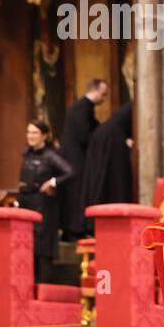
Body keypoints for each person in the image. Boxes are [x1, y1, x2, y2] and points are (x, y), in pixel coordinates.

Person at [17, 121, 74, 283]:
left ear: (44, 135)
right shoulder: (27, 153)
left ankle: (43, 287)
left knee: (43, 248)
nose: (31, 136)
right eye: (29, 132)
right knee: (28, 247)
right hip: (26, 203)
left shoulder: (50, 155)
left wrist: (53, 182)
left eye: (35, 133)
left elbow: (70, 172)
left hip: (43, 205)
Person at [60, 78, 107, 240]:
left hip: (75, 156)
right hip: (74, 157)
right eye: (103, 94)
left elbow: (96, 128)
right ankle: (73, 231)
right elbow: (85, 134)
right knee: (75, 193)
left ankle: (73, 230)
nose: (104, 98)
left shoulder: (86, 107)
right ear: (94, 90)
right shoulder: (82, 107)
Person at [79, 102, 134, 230]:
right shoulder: (116, 131)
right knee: (115, 181)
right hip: (112, 138)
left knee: (100, 181)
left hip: (105, 136)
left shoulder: (110, 126)